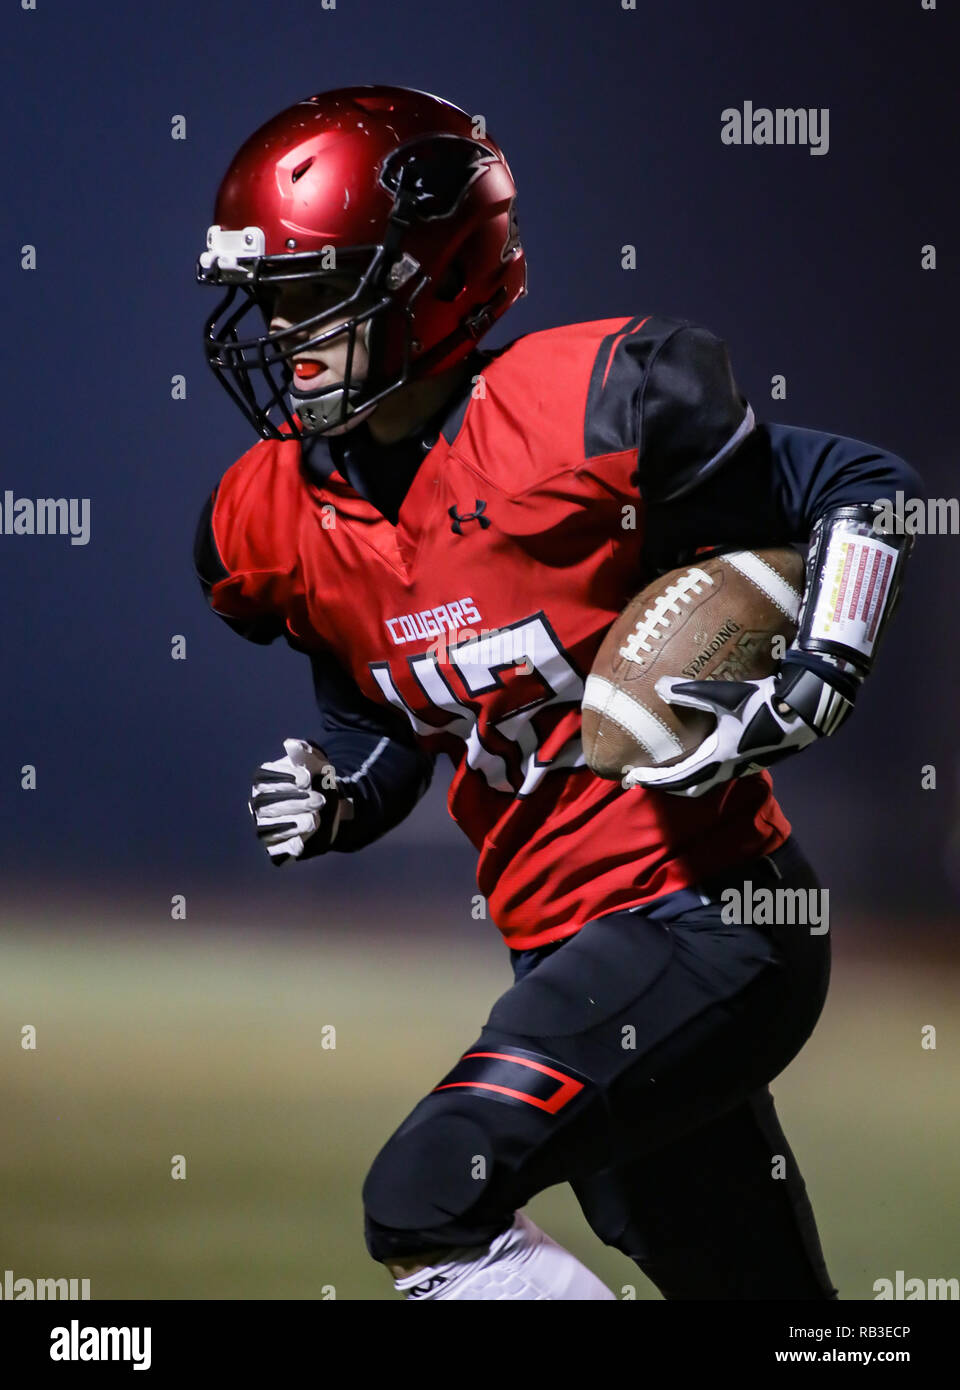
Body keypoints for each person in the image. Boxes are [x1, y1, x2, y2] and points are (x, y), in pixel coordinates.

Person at [194, 85, 918, 1299]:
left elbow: (865, 485)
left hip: (714, 919)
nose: (284, 333)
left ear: (433, 279)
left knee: (424, 1199)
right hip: (566, 948)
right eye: (269, 297)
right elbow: (384, 708)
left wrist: (821, 668)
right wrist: (350, 797)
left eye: (314, 294)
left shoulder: (584, 410)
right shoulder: (272, 515)